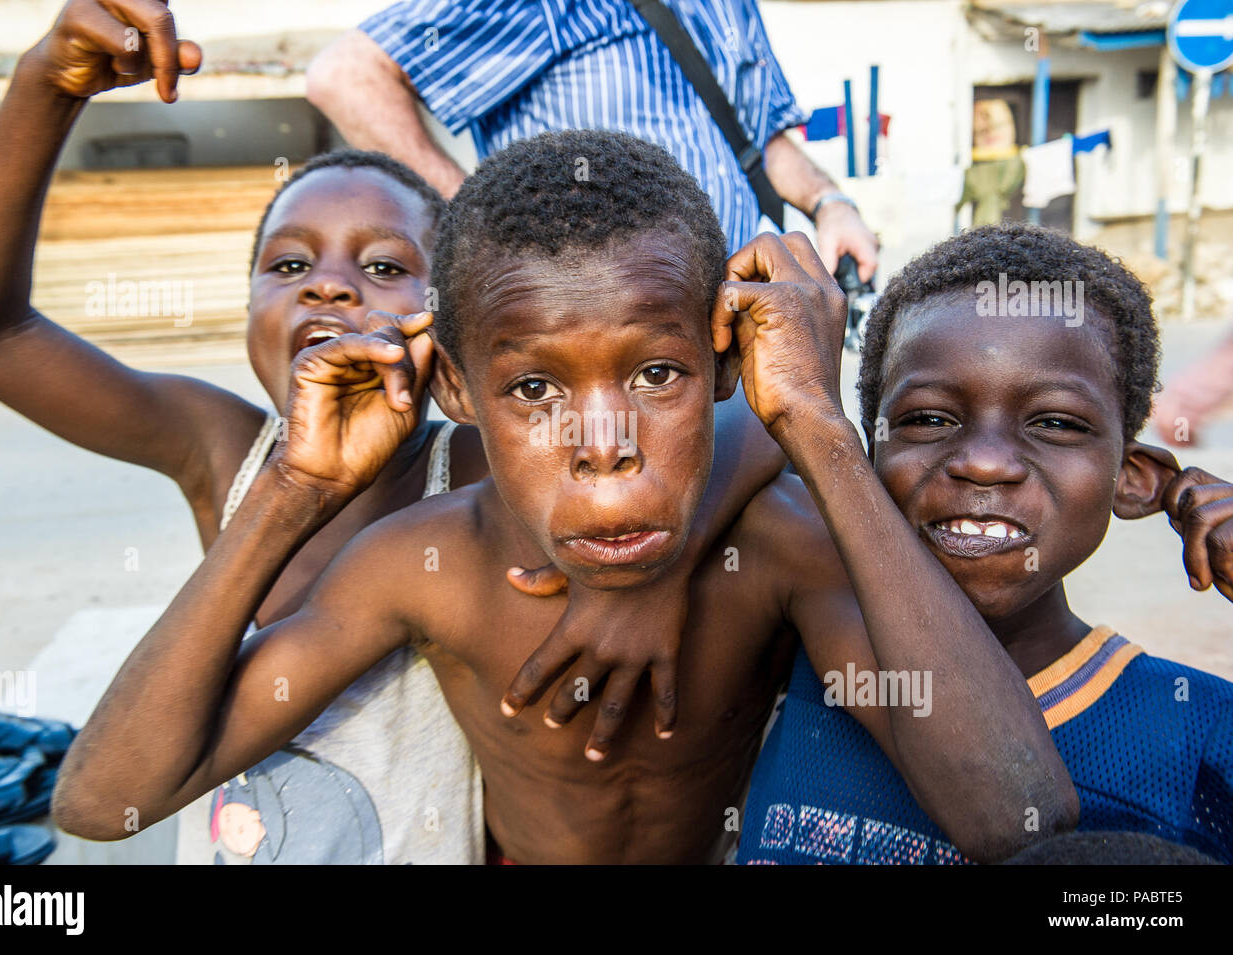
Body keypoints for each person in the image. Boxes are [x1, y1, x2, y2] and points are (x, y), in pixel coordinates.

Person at [52, 130, 1078, 864]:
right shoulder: (427, 568)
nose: (603, 447)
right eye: (535, 388)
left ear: (726, 364)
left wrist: (814, 425)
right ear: (455, 389)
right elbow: (106, 802)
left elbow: (1017, 819)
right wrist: (293, 489)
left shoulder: (772, 552)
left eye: (655, 375)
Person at [0, 0, 783, 864]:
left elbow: (738, 417)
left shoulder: (499, 452)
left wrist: (638, 580)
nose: (330, 290)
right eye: (291, 264)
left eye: (383, 266)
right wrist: (44, 86)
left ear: (458, 337)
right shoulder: (226, 449)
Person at [738, 224, 1233, 864]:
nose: (985, 463)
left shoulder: (1197, 730)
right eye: (928, 418)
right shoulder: (802, 639)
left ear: (1132, 480)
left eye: (1056, 423)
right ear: (866, 454)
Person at [306, 0, 880, 281]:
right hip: (603, 335)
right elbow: (347, 77)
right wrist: (485, 224)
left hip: (736, 321)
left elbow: (761, 144)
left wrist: (832, 205)